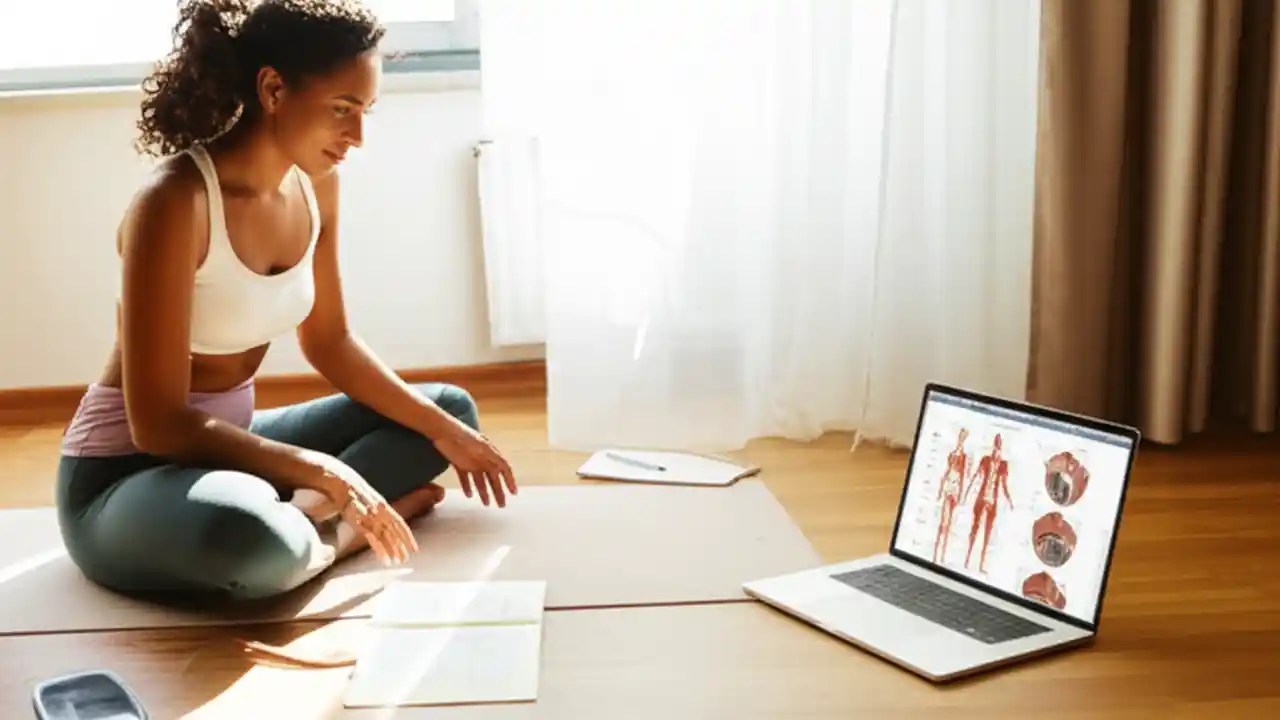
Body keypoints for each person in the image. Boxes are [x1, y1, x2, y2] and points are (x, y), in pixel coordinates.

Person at [54, 0, 517, 604]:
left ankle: (306, 524)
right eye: (342, 109)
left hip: (229, 441)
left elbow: (330, 341)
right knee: (252, 544)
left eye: (365, 112)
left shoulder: (317, 185)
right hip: (125, 474)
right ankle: (336, 534)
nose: (356, 136)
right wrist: (323, 470)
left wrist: (451, 437)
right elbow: (160, 423)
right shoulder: (174, 204)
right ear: (273, 89)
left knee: (447, 414)